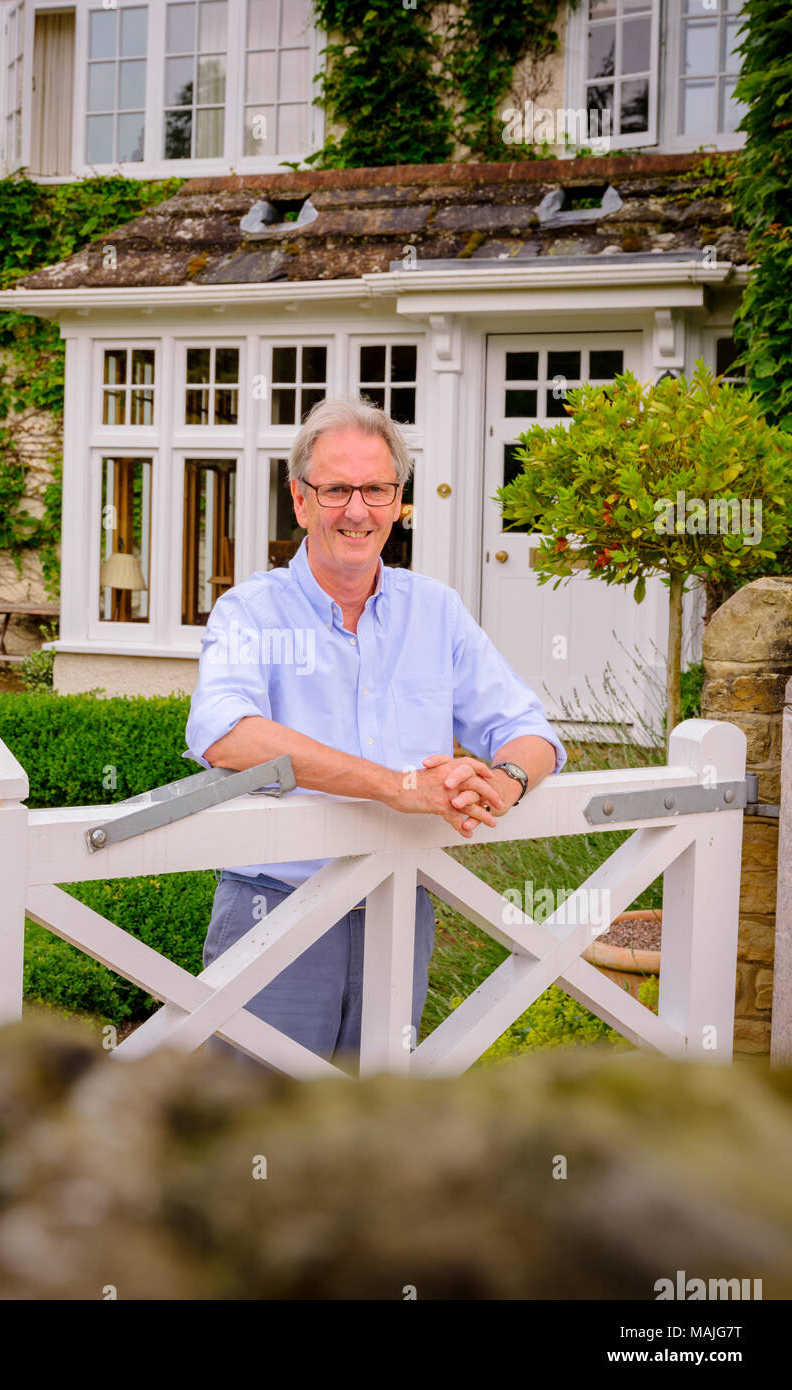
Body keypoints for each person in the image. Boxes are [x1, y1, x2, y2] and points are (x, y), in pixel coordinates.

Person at [184, 396, 567, 1073]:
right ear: (300, 500)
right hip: (273, 908)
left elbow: (528, 731)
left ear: (397, 502)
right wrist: (395, 788)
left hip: (401, 901)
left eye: (376, 490)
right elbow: (228, 736)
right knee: (250, 1135)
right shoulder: (250, 610)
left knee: (375, 1134)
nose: (356, 510)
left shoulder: (436, 611)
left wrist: (503, 782)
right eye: (336, 489)